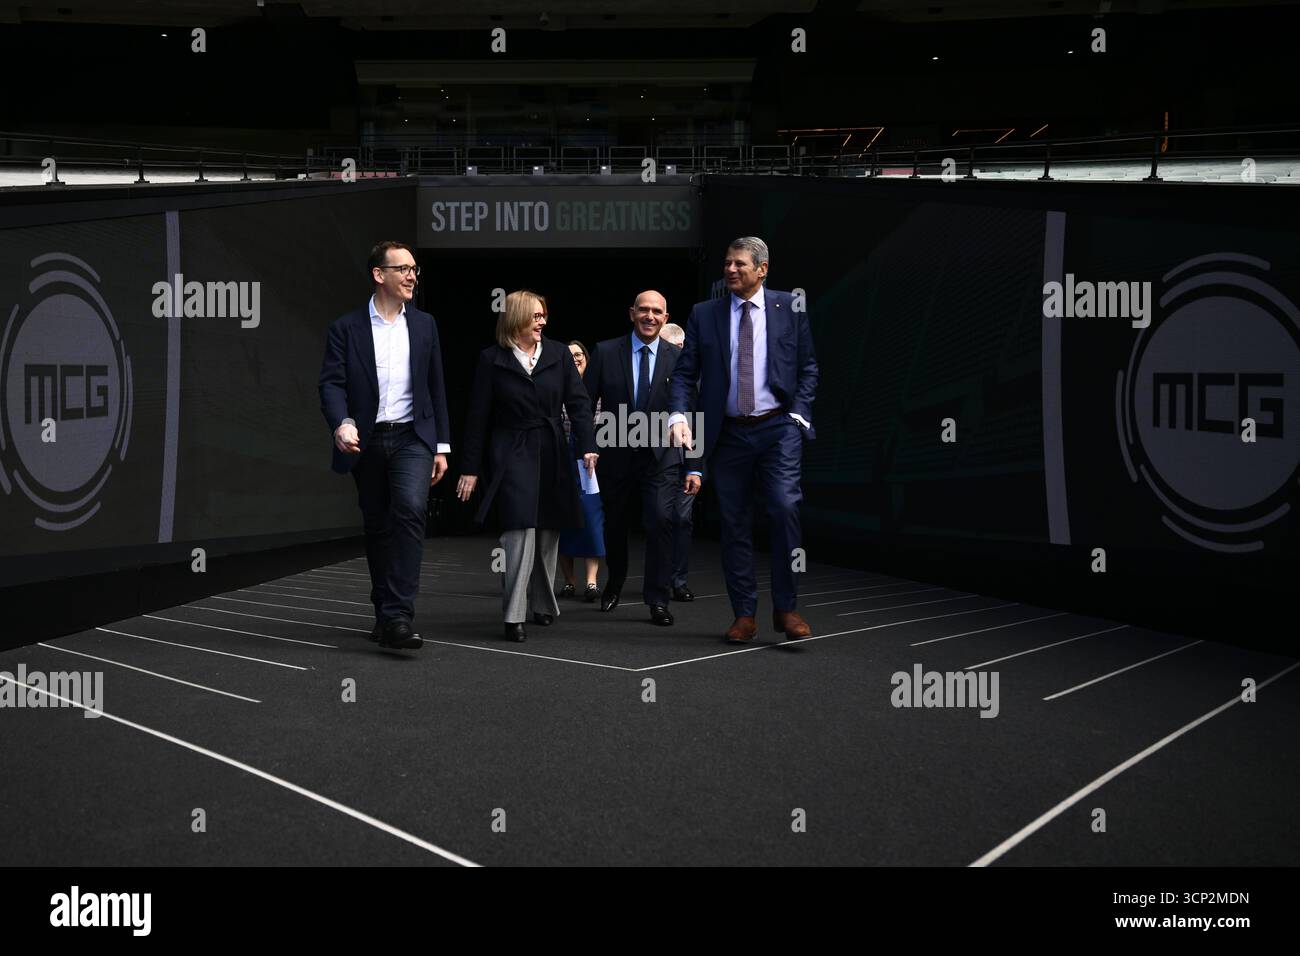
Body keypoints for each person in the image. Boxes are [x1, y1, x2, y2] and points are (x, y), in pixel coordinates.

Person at [668, 237, 819, 644]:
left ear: (762, 269)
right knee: (734, 524)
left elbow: (807, 368)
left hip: (778, 428)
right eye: (727, 263)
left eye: (739, 264)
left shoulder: (790, 306)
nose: (730, 270)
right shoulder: (705, 314)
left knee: (785, 507)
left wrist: (799, 416)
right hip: (729, 433)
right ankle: (744, 615)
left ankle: (787, 609)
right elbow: (685, 373)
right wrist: (680, 415)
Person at [318, 241, 450, 651]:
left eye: (415, 269)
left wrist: (441, 445)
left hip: (413, 437)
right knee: (377, 524)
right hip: (368, 441)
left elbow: (436, 387)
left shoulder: (425, 325)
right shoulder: (346, 328)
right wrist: (342, 424)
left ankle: (398, 616)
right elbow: (331, 383)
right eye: (403, 269)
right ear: (380, 275)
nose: (413, 275)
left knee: (410, 511)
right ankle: (384, 609)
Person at [456, 291, 598, 643]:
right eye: (536, 316)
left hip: (551, 450)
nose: (543, 322)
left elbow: (579, 405)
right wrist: (470, 468)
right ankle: (513, 613)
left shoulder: (559, 355)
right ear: (517, 318)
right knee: (518, 531)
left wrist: (587, 448)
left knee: (548, 531)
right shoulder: (492, 359)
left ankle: (543, 605)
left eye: (544, 315)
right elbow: (477, 417)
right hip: (511, 450)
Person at [584, 290, 681, 626]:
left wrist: (695, 464)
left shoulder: (678, 357)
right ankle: (615, 580)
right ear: (631, 313)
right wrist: (587, 444)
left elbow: (690, 409)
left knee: (659, 519)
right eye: (643, 310)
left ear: (665, 318)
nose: (650, 316)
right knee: (615, 524)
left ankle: (657, 598)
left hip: (661, 457)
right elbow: (584, 402)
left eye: (657, 311)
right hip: (616, 453)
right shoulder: (606, 352)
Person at [557, 340, 605, 602]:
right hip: (562, 463)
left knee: (591, 521)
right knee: (564, 522)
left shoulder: (598, 393)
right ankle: (569, 581)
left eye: (579, 354)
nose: (574, 358)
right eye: (569, 355)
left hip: (590, 468)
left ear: (587, 359)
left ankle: (591, 582)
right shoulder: (556, 390)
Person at [658, 322, 695, 602]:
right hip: (656, 456)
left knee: (681, 518)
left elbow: (701, 419)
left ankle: (678, 579)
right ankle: (659, 578)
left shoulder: (694, 376)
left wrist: (695, 465)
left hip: (687, 457)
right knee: (659, 517)